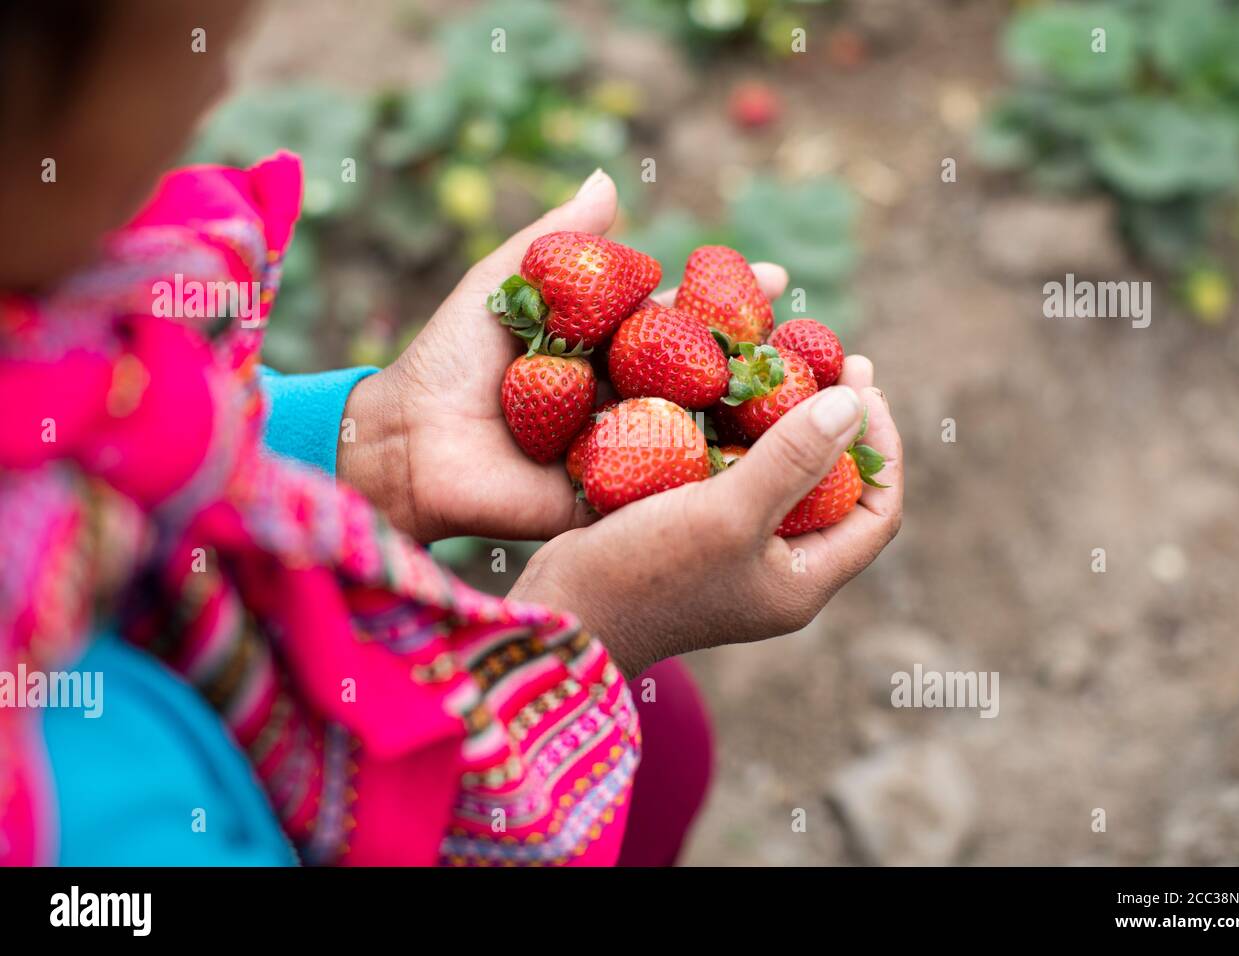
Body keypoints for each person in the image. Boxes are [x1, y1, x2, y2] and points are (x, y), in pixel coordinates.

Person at [0, 0, 902, 866]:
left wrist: (377, 447)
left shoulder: (66, 331)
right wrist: (579, 635)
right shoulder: (76, 808)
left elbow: (134, 446)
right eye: (190, 53)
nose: (216, 83)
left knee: (658, 740)